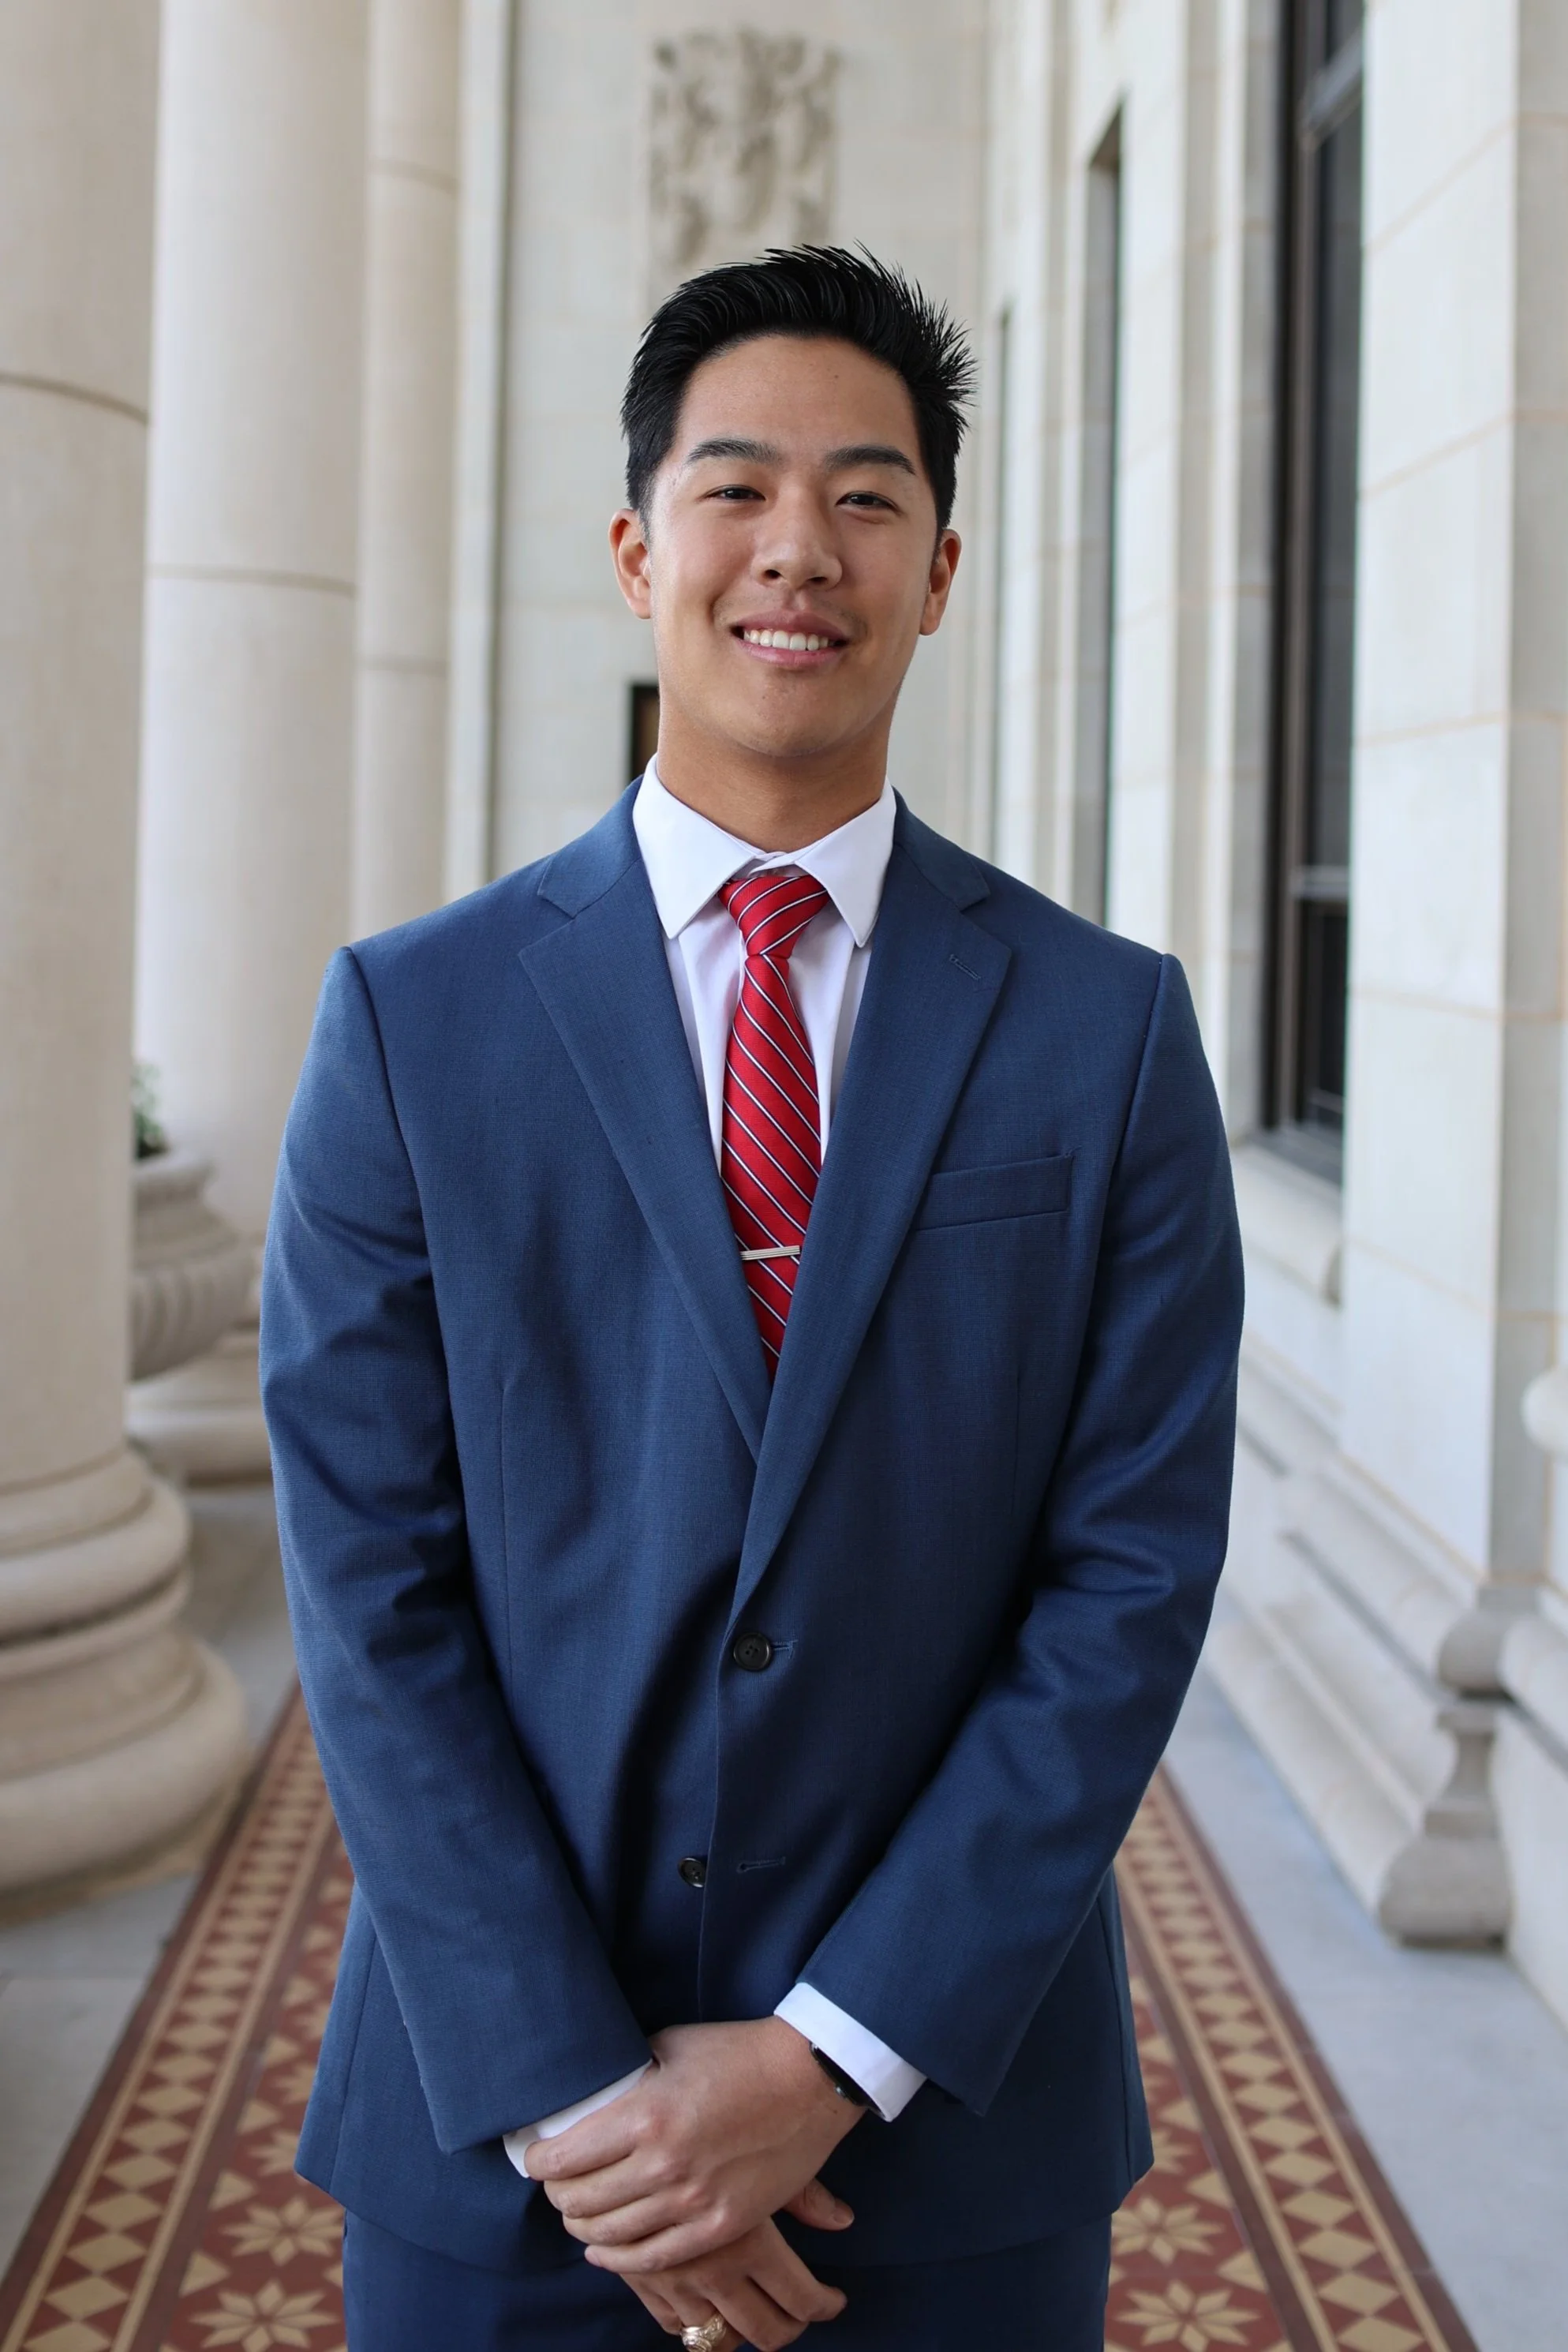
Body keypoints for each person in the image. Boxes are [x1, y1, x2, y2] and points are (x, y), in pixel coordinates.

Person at [260, 245, 1243, 2352]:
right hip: (510, 2139)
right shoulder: (410, 1023)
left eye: (868, 496)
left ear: (941, 573)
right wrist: (580, 2096)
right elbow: (368, 1581)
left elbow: (1130, 1575)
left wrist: (828, 2055)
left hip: (946, 2140)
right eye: (737, 488)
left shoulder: (1111, 1033)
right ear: (639, 551)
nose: (800, 547)